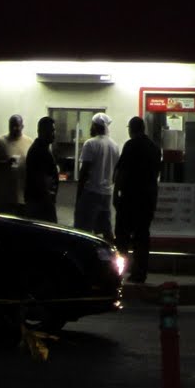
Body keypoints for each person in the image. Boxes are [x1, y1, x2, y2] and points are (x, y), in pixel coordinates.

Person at [113, 116, 162, 279]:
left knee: (122, 236)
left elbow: (121, 172)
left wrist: (116, 194)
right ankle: (140, 272)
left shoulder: (130, 145)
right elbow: (156, 173)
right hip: (147, 198)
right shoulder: (154, 147)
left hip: (130, 198)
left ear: (131, 129)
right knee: (142, 236)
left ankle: (119, 271)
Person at [75, 112, 119, 241]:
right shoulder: (114, 146)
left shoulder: (90, 144)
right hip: (106, 194)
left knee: (83, 230)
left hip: (90, 193)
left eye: (92, 125)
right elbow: (116, 173)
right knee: (106, 230)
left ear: (96, 126)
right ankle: (111, 257)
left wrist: (79, 196)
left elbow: (84, 172)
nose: (90, 128)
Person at [0, 113, 30, 215]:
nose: (14, 128)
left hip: (22, 199)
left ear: (22, 126)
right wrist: (5, 163)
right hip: (2, 198)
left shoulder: (29, 143)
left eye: (17, 126)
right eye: (12, 126)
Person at [24, 116, 60, 223]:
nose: (54, 134)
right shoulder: (38, 151)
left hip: (42, 202)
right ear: (43, 131)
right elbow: (41, 180)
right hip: (40, 204)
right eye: (52, 130)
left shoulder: (43, 149)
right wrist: (49, 200)